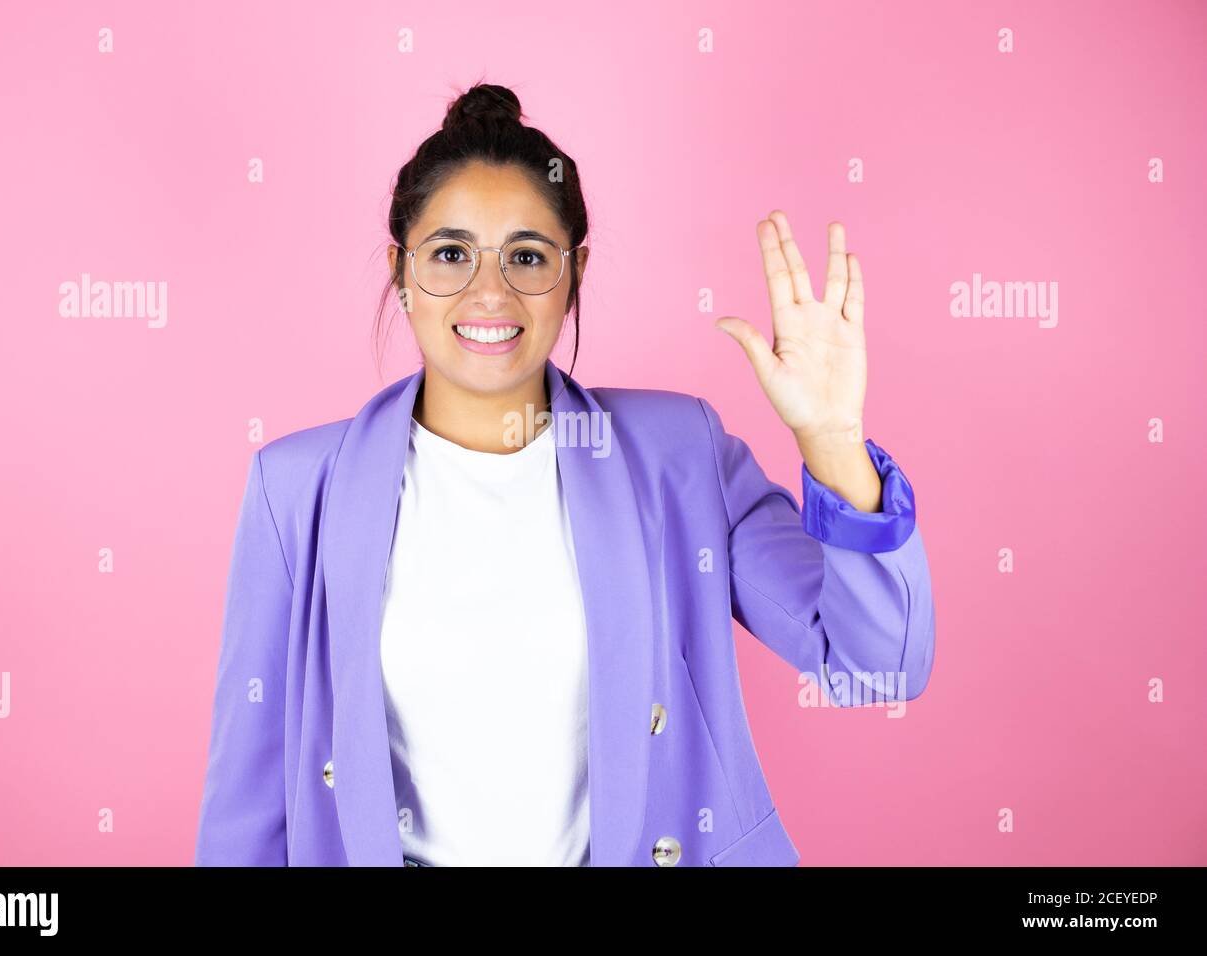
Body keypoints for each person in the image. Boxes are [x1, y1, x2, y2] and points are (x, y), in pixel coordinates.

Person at [194, 81, 935, 868]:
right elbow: (250, 797)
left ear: (574, 271)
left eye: (527, 256)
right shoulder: (296, 490)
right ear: (400, 271)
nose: (489, 291)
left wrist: (832, 440)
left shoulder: (679, 454)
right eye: (450, 253)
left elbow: (874, 667)